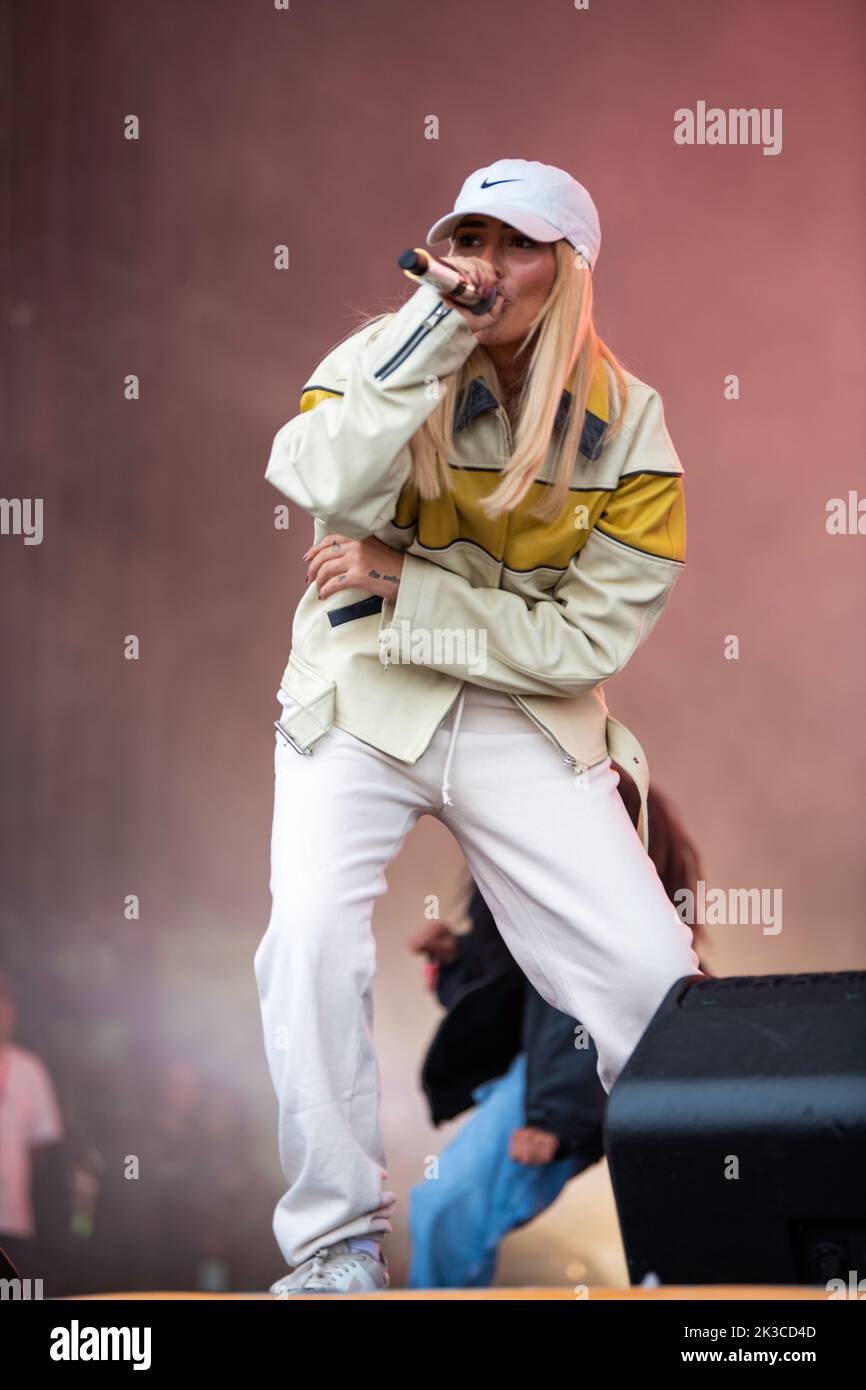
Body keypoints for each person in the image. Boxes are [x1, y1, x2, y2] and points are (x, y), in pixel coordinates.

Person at [254, 157, 705, 1296]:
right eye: (471, 239)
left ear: (570, 268)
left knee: (653, 973)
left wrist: (410, 581)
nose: (489, 267)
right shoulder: (388, 350)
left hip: (522, 716)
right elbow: (314, 478)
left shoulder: (630, 426)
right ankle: (334, 1251)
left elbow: (587, 645)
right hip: (363, 694)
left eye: (520, 245)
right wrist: (425, 337)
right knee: (305, 935)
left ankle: (710, 1229)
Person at [407, 778, 711, 1288]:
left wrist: (554, 1112)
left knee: (449, 1210)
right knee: (444, 1210)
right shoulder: (525, 811)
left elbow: (595, 983)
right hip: (563, 1067)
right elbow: (517, 971)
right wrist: (458, 961)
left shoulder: (602, 801)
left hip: (601, 1065)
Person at [0, 968, 65, 1282]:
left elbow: (41, 1145)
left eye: (6, 1003)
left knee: (18, 1290)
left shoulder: (31, 1070)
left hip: (16, 1222)